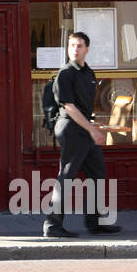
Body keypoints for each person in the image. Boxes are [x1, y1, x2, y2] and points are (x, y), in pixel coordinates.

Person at [43, 31, 122, 238]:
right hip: (71, 128)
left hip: (84, 129)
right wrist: (92, 130)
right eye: (72, 46)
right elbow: (69, 107)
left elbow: (86, 107)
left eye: (79, 46)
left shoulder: (88, 73)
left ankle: (95, 222)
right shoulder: (65, 74)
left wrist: (93, 126)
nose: (75, 50)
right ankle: (52, 225)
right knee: (67, 175)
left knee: (97, 172)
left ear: (87, 49)